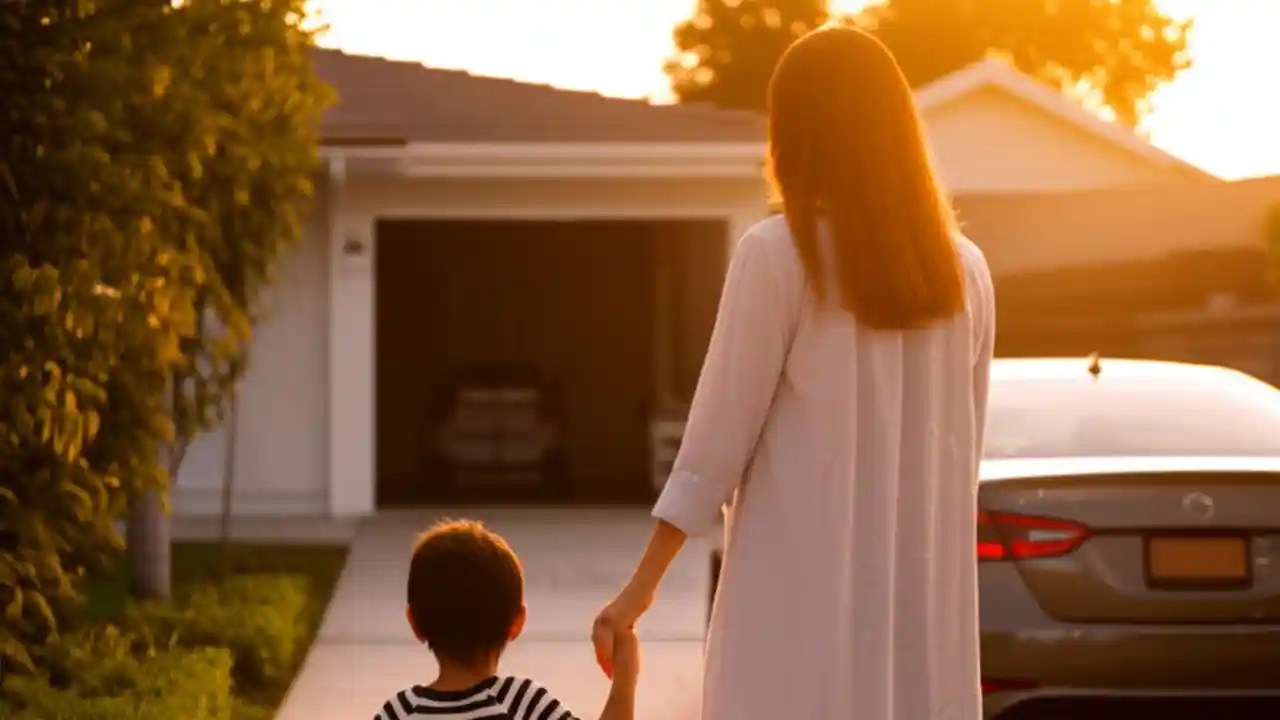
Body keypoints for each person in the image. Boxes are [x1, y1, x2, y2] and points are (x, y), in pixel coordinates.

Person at [592, 25, 995, 720]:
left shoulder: (780, 255)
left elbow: (713, 450)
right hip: (917, 622)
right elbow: (964, 455)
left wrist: (637, 595)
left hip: (795, 618)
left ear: (795, 132)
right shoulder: (965, 273)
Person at [376, 519, 640, 720]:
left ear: (415, 623)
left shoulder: (399, 711)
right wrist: (625, 672)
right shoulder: (521, 703)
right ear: (517, 622)